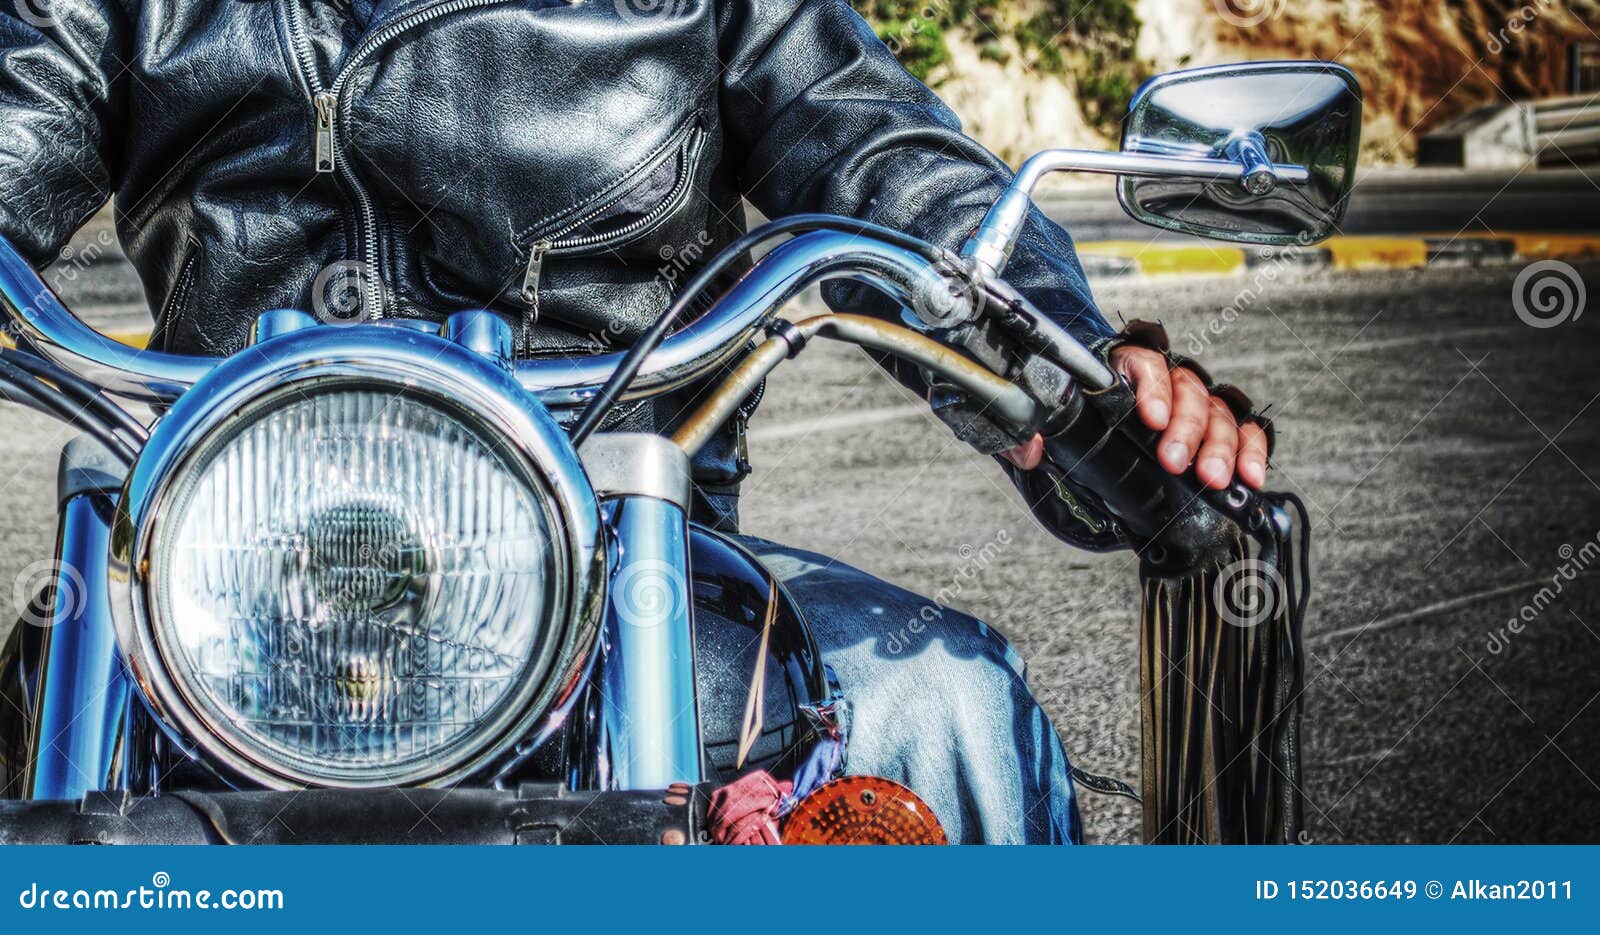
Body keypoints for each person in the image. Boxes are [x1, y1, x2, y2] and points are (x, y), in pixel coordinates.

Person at [0, 1, 1270, 842]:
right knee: (38, 718)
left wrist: (1064, 357)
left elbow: (871, 145)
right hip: (219, 571)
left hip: (625, 562)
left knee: (936, 702)